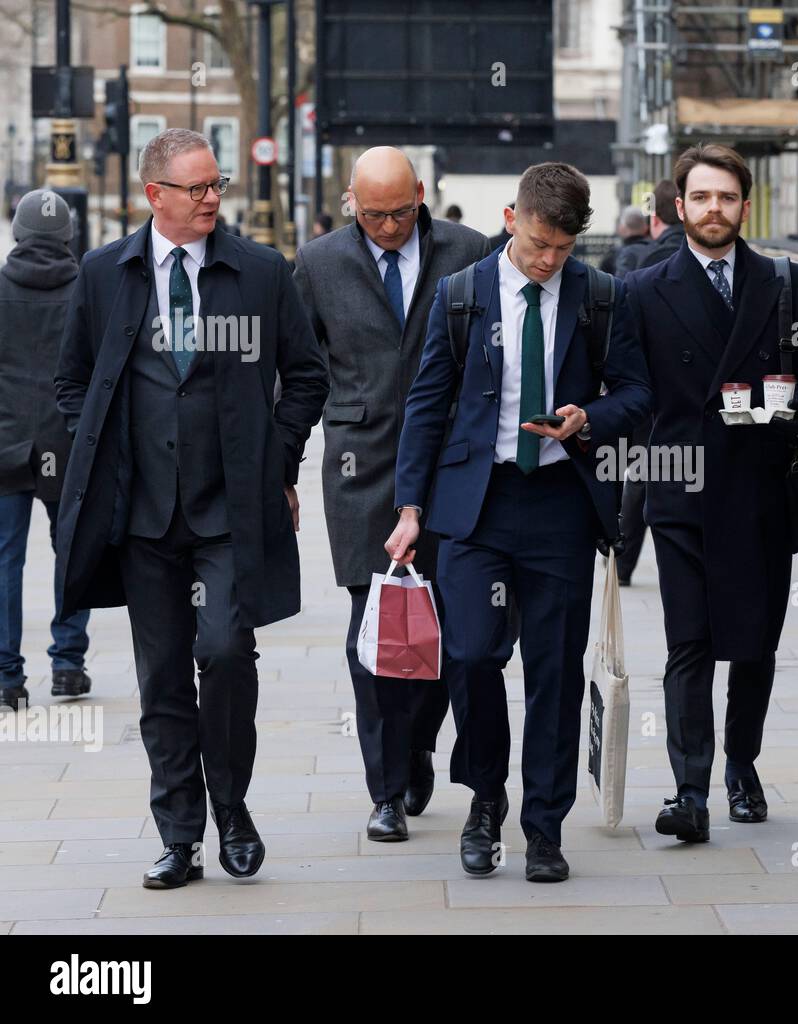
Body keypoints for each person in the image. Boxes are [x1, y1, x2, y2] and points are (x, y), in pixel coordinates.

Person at [54, 129, 329, 890]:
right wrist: (98, 449)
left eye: (218, 184)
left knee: (228, 653)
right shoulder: (106, 273)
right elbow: (72, 381)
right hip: (142, 518)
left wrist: (277, 462)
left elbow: (306, 376)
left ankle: (231, 805)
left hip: (228, 513)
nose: (214, 199)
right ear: (155, 195)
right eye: (198, 188)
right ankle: (180, 835)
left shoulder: (262, 272)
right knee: (164, 679)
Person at [386, 162, 651, 882]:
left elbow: (638, 392)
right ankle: (483, 800)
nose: (548, 260)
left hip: (561, 508)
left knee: (555, 673)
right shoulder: (461, 296)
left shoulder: (601, 297)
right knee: (470, 656)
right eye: (539, 243)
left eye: (563, 249)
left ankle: (544, 826)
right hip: (476, 507)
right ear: (512, 218)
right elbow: (426, 406)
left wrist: (589, 416)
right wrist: (411, 507)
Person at [623, 144, 798, 842]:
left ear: (746, 206)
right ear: (679, 206)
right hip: (681, 491)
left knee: (752, 645)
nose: (714, 209)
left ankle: (741, 766)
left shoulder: (782, 281)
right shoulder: (642, 287)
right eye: (701, 197)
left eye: (726, 198)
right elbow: (627, 391)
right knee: (687, 642)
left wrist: (793, 408)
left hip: (759, 487)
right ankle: (689, 791)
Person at [293, 147, 489, 842]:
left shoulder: (469, 251)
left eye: (400, 212)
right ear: (351, 201)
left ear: (422, 197)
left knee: (446, 628)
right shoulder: (317, 265)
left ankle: (417, 747)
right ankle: (385, 789)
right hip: (361, 469)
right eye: (373, 214)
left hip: (451, 467)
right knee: (371, 633)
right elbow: (302, 375)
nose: (387, 226)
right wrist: (282, 469)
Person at [0, 189, 91, 712]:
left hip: (7, 439)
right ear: (67, 236)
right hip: (68, 439)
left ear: (18, 232)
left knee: (6, 558)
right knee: (71, 549)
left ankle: (8, 677)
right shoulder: (86, 289)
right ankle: (67, 664)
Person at [613, 180, 683, 585]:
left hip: (648, 391)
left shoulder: (640, 263)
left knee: (639, 475)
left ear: (655, 218)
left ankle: (622, 563)